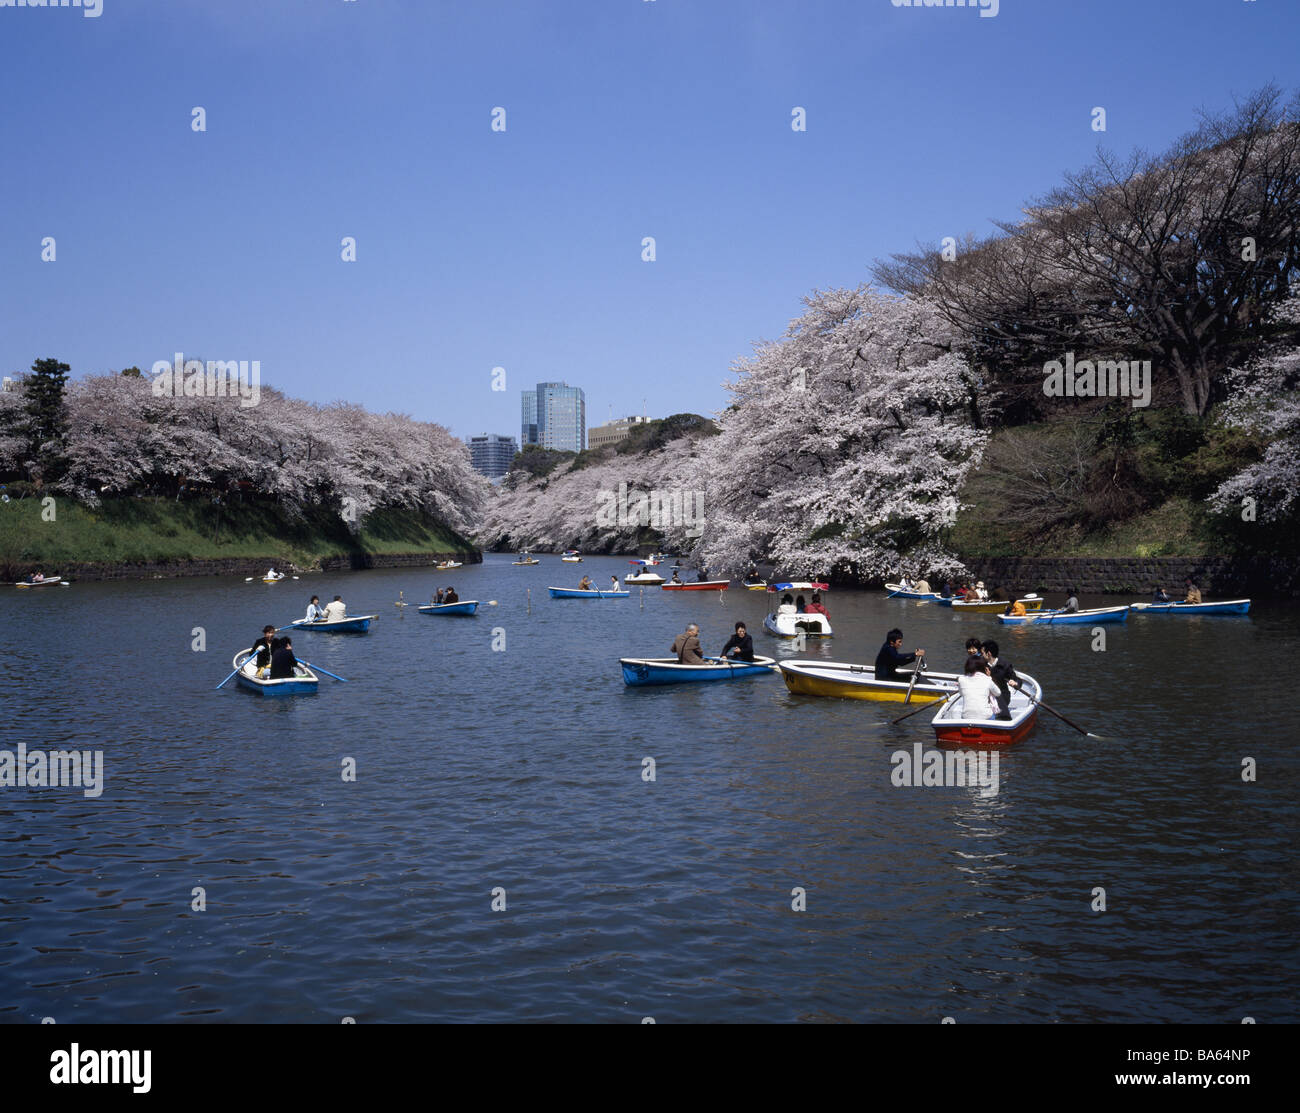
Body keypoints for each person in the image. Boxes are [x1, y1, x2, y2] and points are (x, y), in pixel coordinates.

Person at [981, 639, 1023, 721]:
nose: (981, 656)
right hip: (986, 695)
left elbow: (1017, 680)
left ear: (988, 654)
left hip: (1002, 696)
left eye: (982, 653)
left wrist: (1015, 683)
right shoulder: (981, 664)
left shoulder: (1004, 665)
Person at [957, 655, 1001, 719]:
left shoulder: (961, 679)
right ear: (983, 667)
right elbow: (998, 693)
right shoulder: (987, 679)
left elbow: (961, 694)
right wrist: (989, 677)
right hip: (985, 716)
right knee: (994, 715)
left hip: (966, 717)